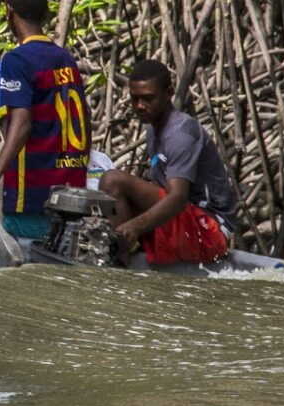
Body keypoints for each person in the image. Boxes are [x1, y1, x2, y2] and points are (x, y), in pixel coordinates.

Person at [0, 0, 90, 240]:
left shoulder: (17, 59)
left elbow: (21, 122)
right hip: (70, 189)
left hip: (32, 194)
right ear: (45, 14)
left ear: (9, 12)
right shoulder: (65, 58)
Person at [100, 59, 240, 267]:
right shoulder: (153, 130)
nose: (140, 106)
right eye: (134, 99)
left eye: (148, 99)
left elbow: (177, 198)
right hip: (184, 221)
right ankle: (122, 260)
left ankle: (119, 268)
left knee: (113, 181)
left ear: (169, 92)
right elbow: (158, 189)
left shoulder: (181, 133)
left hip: (210, 231)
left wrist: (134, 227)